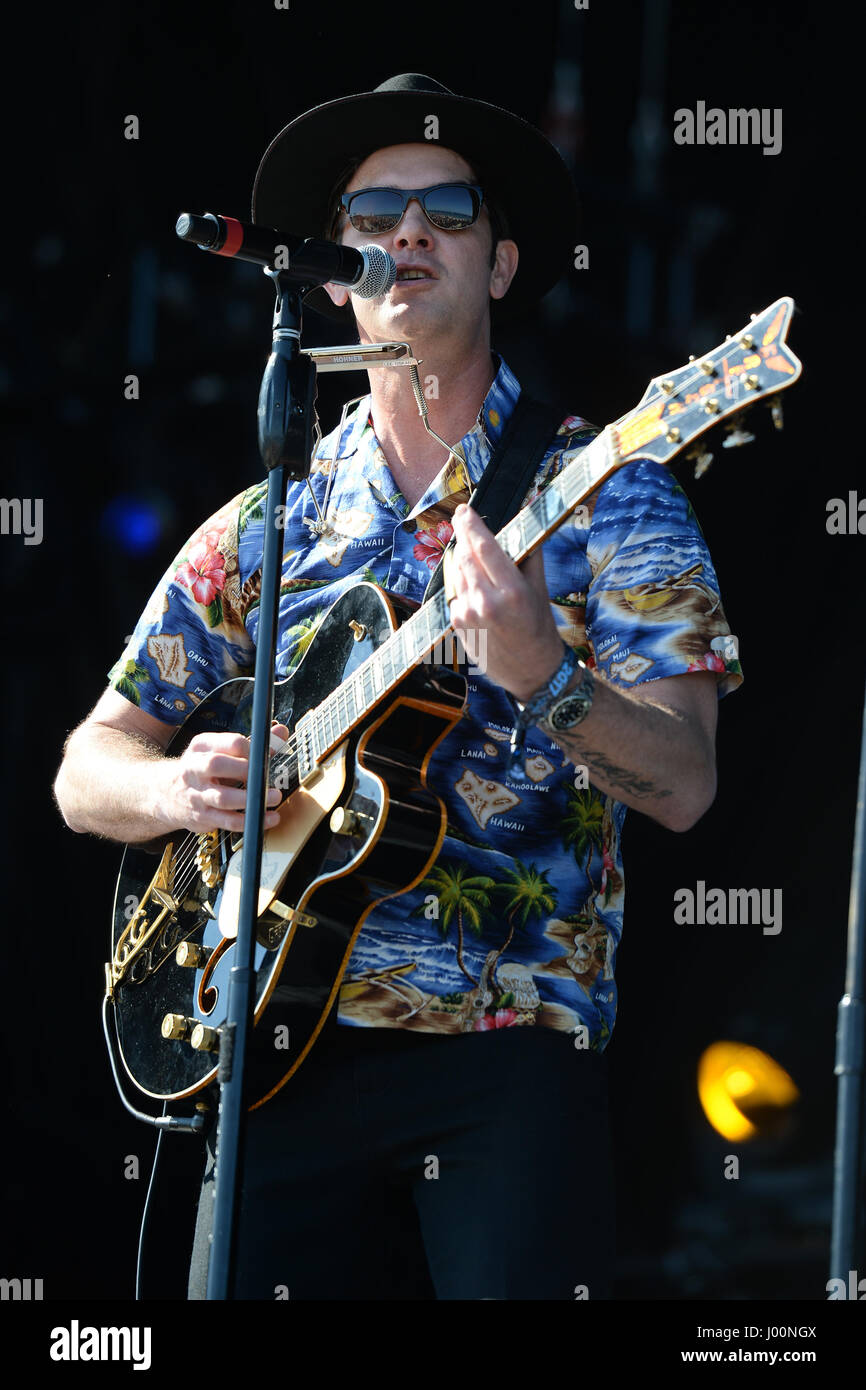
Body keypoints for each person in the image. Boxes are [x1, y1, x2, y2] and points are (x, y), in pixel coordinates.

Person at [53, 74, 742, 1300]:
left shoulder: (611, 491)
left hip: (505, 1060)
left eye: (445, 211)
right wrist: (175, 787)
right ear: (329, 273)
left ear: (502, 263)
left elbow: (685, 782)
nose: (404, 233)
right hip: (270, 1056)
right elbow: (85, 764)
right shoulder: (276, 521)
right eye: (369, 216)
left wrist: (540, 673)